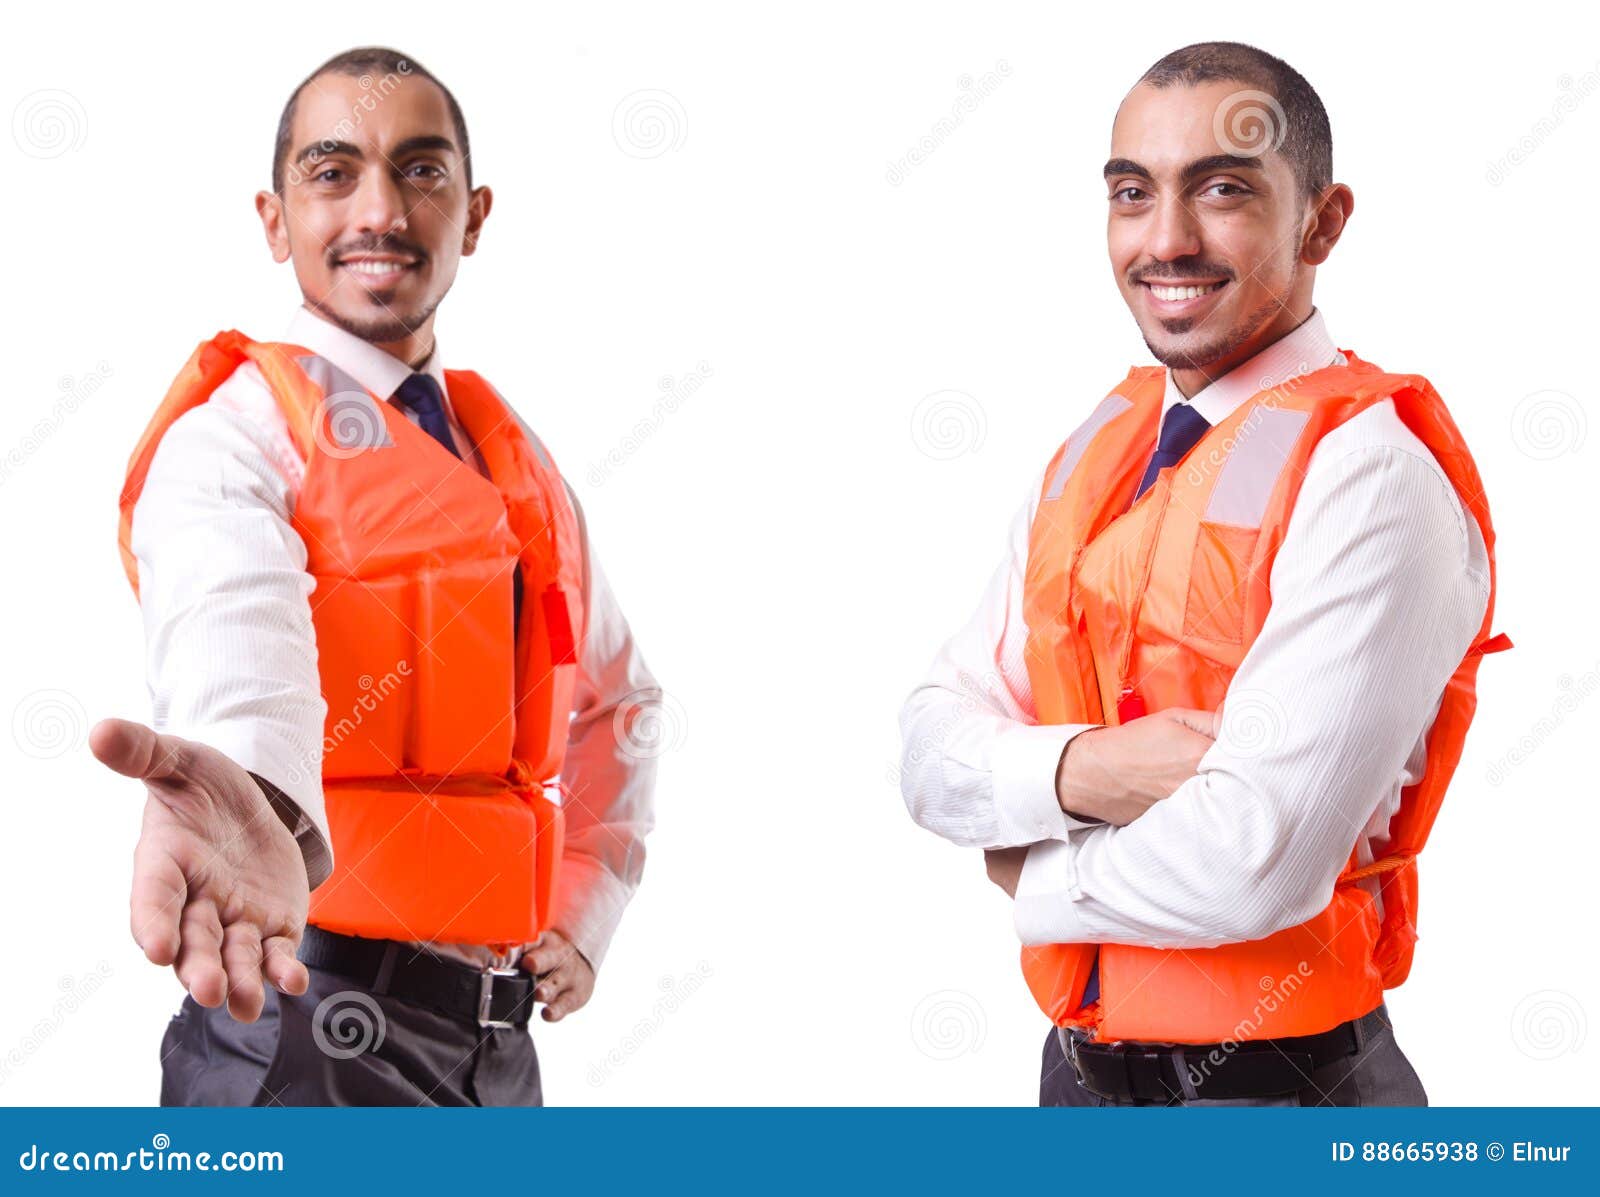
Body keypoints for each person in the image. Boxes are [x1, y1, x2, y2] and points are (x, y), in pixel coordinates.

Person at [898, 41, 1510, 1107]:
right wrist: (1085, 770)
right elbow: (926, 747)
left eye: (1222, 191)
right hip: (1075, 1080)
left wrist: (1026, 862)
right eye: (1133, 193)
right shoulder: (1099, 449)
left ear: (1321, 222)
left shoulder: (1372, 473)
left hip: (1283, 1098)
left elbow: (1252, 860)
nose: (1166, 239)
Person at [90, 45, 659, 1106]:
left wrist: (584, 910)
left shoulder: (516, 459)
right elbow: (234, 644)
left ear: (474, 217)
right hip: (296, 1023)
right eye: (333, 172)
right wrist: (249, 799)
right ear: (274, 220)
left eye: (421, 170)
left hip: (495, 1048)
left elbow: (619, 703)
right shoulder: (233, 441)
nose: (381, 211)